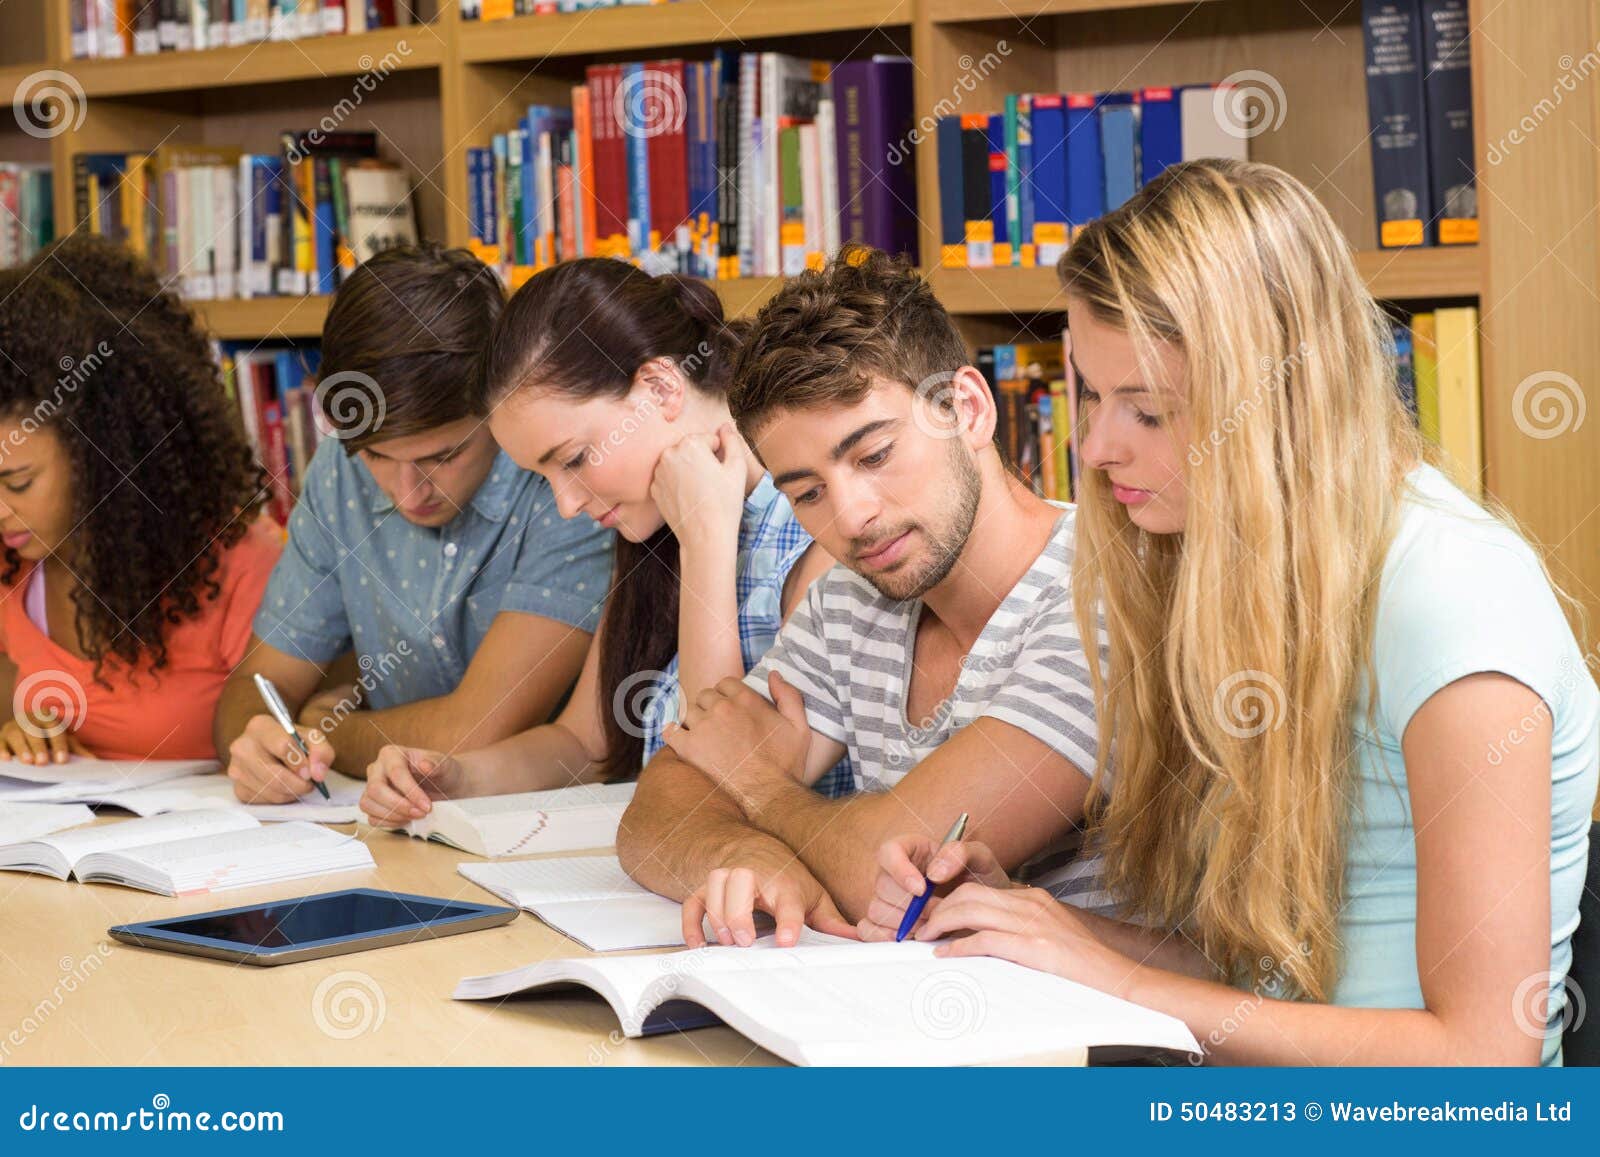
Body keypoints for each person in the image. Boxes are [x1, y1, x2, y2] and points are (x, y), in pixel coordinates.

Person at [864, 158, 1599, 1066]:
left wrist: (1116, 978)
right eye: (1089, 393)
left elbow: (1483, 1058)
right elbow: (1276, 979)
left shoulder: (1454, 601)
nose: (1095, 447)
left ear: (1279, 402)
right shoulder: (1245, 568)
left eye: (1148, 412)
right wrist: (1039, 925)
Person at [614, 247, 1112, 945]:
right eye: (807, 492)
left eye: (874, 456)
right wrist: (743, 855)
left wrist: (759, 791)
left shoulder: (1101, 594)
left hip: (1083, 1012)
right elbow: (663, 799)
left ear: (967, 409)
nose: (850, 517)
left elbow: (896, 871)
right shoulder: (848, 600)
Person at [358, 258, 848, 824]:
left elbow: (731, 780)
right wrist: (455, 777)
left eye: (573, 459)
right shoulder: (655, 523)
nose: (567, 505)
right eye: (544, 477)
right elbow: (584, 744)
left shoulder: (822, 526)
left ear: (661, 388)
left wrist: (706, 541)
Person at [215, 244, 613, 802]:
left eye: (443, 456)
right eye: (377, 456)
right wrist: (256, 743)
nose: (409, 492)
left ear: (501, 406)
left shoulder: (567, 481)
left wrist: (326, 727)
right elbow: (255, 687)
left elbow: (472, 732)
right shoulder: (339, 468)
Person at [0, 236, 281, 762]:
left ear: (102, 456)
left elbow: (291, 743)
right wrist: (12, 727)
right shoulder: (13, 557)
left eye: (17, 482)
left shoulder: (242, 567)